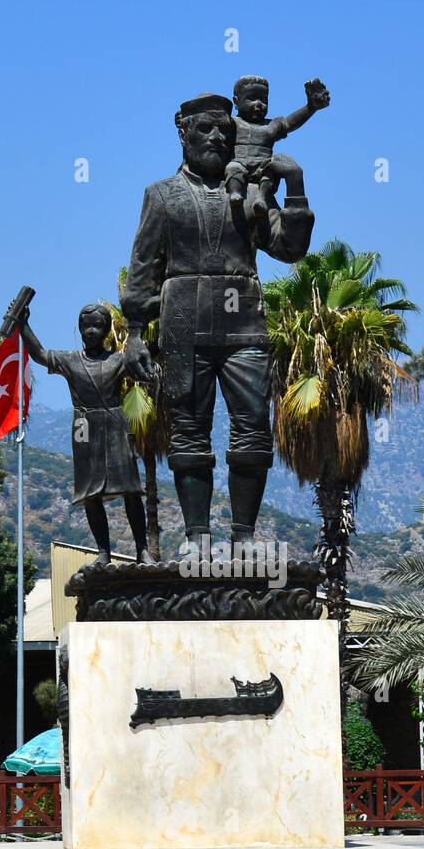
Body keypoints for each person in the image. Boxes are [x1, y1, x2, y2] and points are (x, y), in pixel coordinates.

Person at [122, 91, 316, 549]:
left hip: (244, 322)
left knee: (253, 423)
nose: (214, 137)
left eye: (222, 130)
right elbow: (144, 266)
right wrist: (133, 334)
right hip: (183, 320)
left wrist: (296, 184)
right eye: (203, 129)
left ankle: (245, 536)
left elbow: (289, 248)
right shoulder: (161, 195)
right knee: (188, 428)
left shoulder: (251, 192)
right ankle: (197, 537)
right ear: (183, 134)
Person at [18, 302, 153, 565]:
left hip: (115, 423)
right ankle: (103, 551)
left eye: (97, 326)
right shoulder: (70, 360)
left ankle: (142, 549)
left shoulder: (119, 360)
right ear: (80, 328)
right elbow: (40, 354)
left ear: (105, 330)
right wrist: (24, 325)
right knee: (91, 494)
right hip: (84, 429)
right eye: (86, 326)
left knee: (131, 489)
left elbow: (145, 360)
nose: (91, 331)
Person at [224, 75, 329, 221]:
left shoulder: (271, 126)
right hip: (239, 164)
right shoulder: (231, 123)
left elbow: (290, 123)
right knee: (233, 167)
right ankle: (235, 193)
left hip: (262, 168)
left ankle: (261, 198)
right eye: (252, 98)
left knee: (271, 174)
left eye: (264, 99)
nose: (259, 104)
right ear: (236, 101)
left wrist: (311, 107)